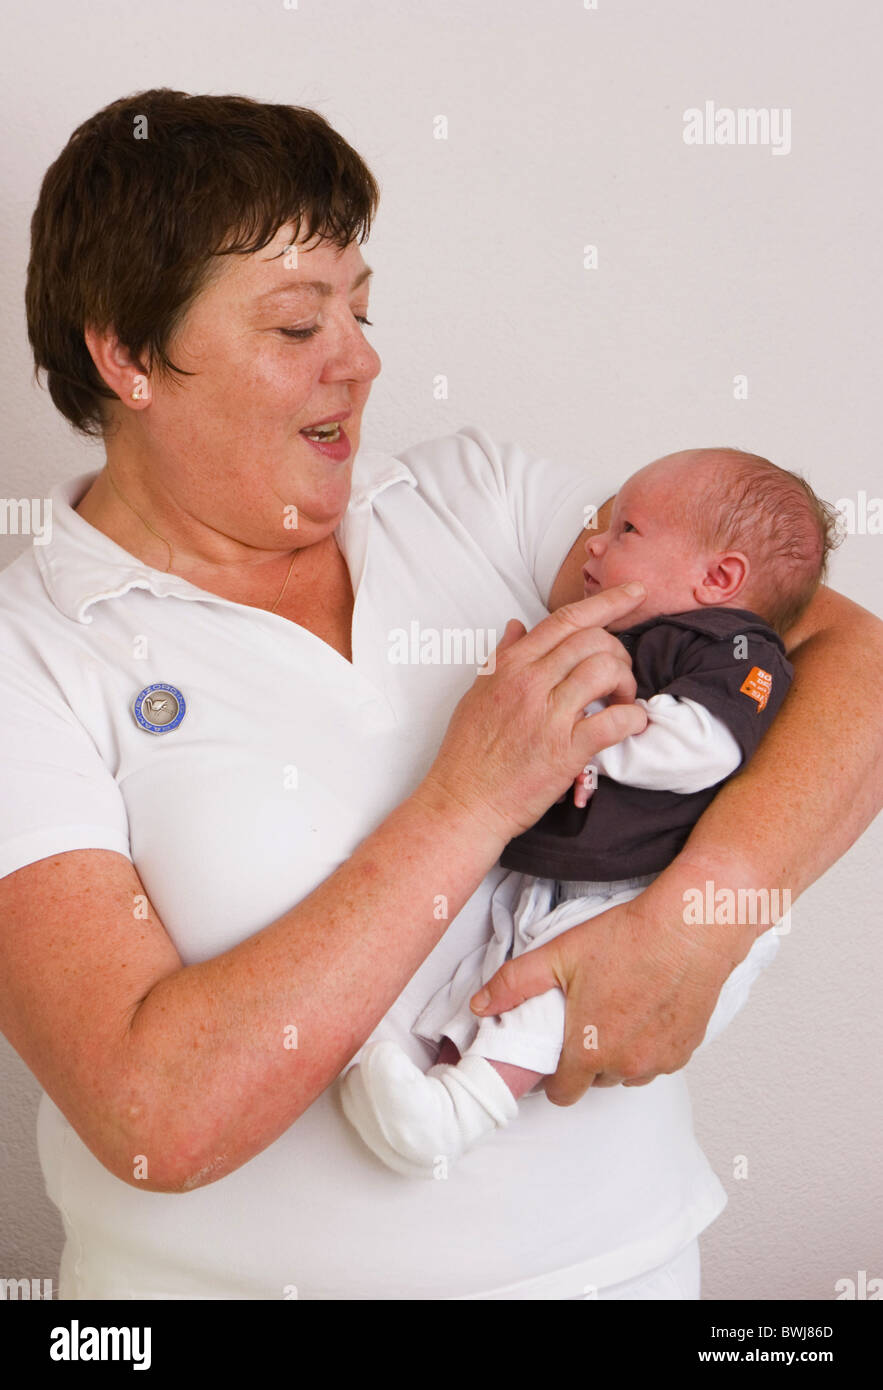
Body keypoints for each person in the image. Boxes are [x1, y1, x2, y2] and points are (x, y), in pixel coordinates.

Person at [0, 88, 881, 1301]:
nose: (360, 358)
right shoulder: (32, 652)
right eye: (298, 323)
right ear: (128, 357)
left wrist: (699, 920)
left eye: (360, 309)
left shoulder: (478, 500)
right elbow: (154, 1112)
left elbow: (843, 655)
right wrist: (469, 800)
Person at [340, 448, 841, 1176]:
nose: (595, 545)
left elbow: (702, 745)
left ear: (719, 579)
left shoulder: (736, 650)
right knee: (491, 967)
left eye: (625, 529)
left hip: (637, 884)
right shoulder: (635, 637)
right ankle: (433, 1074)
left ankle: (459, 1114)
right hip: (574, 869)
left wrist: (588, 743)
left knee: (551, 997)